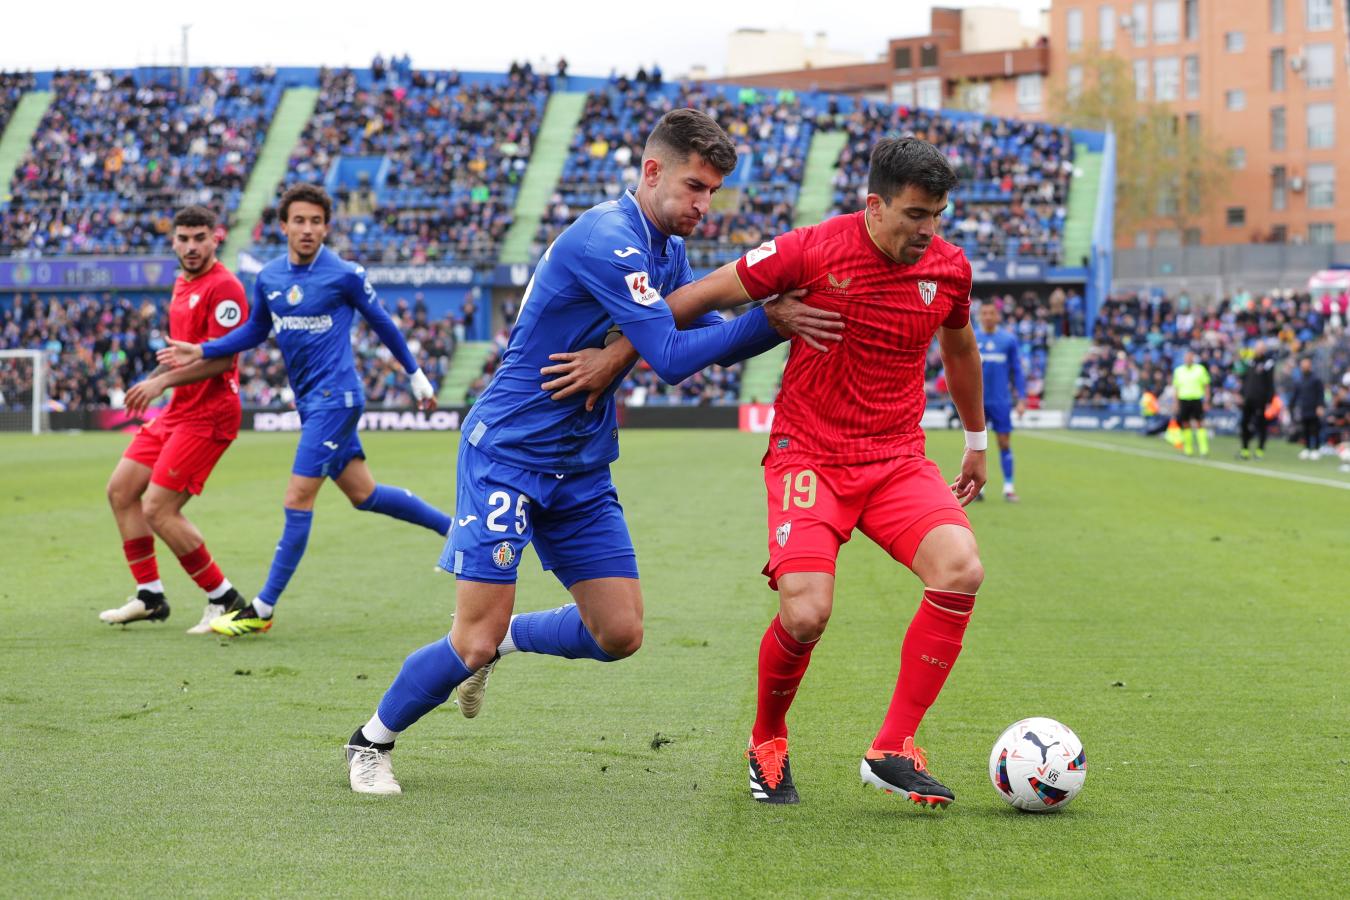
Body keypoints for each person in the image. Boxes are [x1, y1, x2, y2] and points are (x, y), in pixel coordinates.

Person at [339, 109, 841, 795]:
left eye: (713, 192)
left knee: (620, 633)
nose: (703, 204)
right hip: (509, 457)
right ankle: (370, 740)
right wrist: (765, 320)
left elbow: (702, 327)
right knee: (469, 641)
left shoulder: (667, 250)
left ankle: (508, 637)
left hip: (579, 464)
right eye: (694, 186)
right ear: (652, 170)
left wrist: (755, 324)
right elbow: (668, 353)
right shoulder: (610, 237)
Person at [564, 137, 987, 807]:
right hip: (809, 457)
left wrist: (975, 437)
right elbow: (695, 297)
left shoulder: (950, 269)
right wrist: (615, 358)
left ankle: (892, 746)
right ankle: (767, 738)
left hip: (896, 457)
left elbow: (960, 348)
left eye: (937, 215)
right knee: (808, 612)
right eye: (914, 215)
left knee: (961, 568)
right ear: (874, 206)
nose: (926, 232)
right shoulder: (809, 249)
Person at [159, 184, 450, 636]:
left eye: (316, 221)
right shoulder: (271, 277)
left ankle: (262, 609)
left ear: (327, 227)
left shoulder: (345, 274)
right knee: (365, 494)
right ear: (284, 226)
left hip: (338, 400)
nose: (308, 229)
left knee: (297, 498)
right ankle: (456, 532)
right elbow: (254, 332)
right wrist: (202, 349)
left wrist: (416, 375)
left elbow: (383, 324)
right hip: (312, 404)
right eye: (299, 220)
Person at [100, 206, 251, 633]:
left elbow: (223, 360)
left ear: (215, 238)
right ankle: (150, 595)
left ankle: (225, 600)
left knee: (159, 508)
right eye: (183, 238)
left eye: (199, 237)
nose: (190, 246)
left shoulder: (225, 288)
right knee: (121, 490)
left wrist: (162, 381)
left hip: (210, 413)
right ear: (173, 240)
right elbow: (177, 352)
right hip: (178, 409)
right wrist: (154, 379)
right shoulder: (183, 283)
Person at [974, 301, 1025, 501]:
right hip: (976, 402)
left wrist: (1021, 399)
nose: (987, 316)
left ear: (997, 316)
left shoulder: (1008, 340)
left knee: (1003, 442)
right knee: (976, 446)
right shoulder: (972, 337)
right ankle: (977, 489)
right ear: (980, 316)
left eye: (991, 313)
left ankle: (1009, 487)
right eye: (984, 313)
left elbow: (1017, 371)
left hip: (1001, 400)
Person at [1237, 343, 1276, 460]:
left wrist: (1269, 400)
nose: (1258, 351)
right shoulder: (1250, 362)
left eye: (1260, 349)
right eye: (1256, 348)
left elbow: (1270, 383)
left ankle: (1260, 450)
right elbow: (1245, 380)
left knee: (1260, 426)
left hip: (1261, 400)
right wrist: (1241, 394)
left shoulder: (1268, 363)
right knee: (1244, 424)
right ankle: (1245, 450)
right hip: (1248, 399)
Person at [1172, 349, 1211, 457]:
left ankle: (1204, 449)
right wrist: (1175, 402)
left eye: (1190, 357)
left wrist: (1207, 400)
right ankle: (1188, 449)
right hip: (1184, 399)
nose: (1188, 359)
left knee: (1199, 423)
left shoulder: (1200, 370)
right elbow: (1176, 388)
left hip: (1196, 399)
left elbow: (1206, 385)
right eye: (1186, 357)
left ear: (1193, 358)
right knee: (1185, 424)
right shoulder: (1179, 371)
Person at [1291, 357, 1326, 460]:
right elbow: (1296, 394)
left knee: (1315, 429)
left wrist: (1320, 406)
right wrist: (1291, 405)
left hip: (1314, 407)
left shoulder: (1316, 379)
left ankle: (1316, 449)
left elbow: (1320, 394)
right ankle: (1306, 448)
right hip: (1304, 407)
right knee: (1305, 429)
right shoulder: (1300, 379)